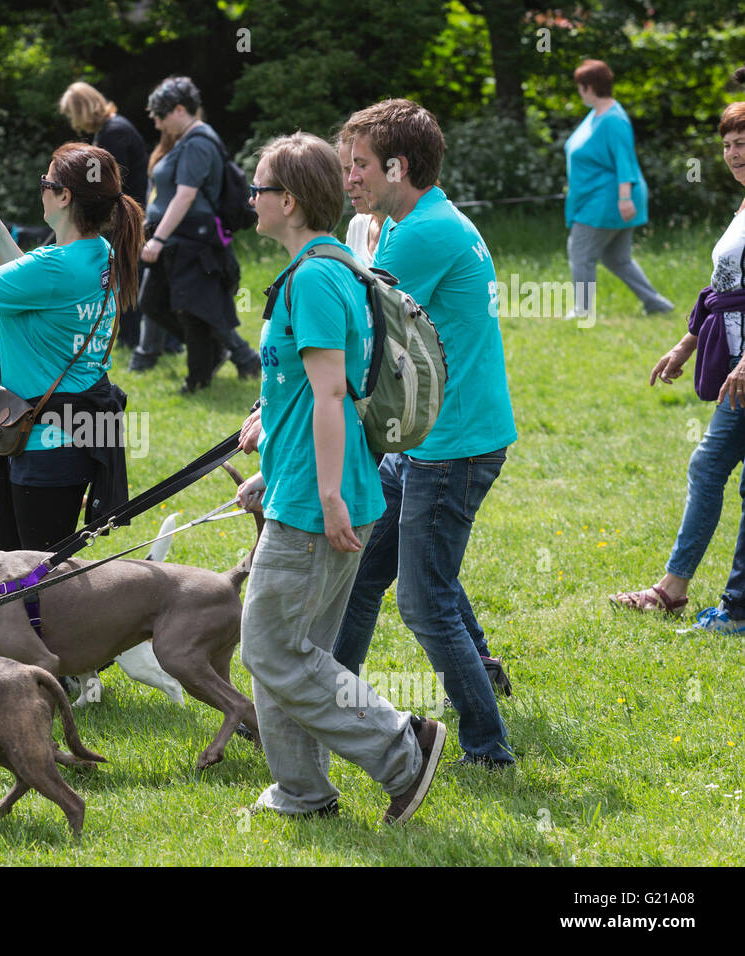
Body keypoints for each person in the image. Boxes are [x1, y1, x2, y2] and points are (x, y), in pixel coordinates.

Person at [235, 131, 445, 822]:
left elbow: (332, 394)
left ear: (288, 201)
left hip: (320, 500)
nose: (251, 199)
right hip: (306, 485)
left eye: (260, 188)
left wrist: (324, 495)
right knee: (296, 651)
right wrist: (271, 441)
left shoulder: (318, 277)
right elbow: (309, 390)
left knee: (271, 649)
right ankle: (302, 790)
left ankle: (402, 748)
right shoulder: (324, 267)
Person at [331, 99, 518, 768]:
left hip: (452, 445)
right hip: (428, 439)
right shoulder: (423, 218)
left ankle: (488, 749)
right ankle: (326, 706)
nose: (348, 176)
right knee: (367, 579)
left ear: (397, 167)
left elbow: (358, 336)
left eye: (359, 166)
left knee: (423, 598)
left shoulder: (419, 234)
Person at [0, 142, 142, 550]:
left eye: (45, 182)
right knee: (7, 560)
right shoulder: (98, 253)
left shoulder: (56, 264)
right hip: (66, 436)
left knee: (38, 580)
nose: (41, 189)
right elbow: (31, 285)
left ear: (64, 196)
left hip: (44, 447)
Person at [610, 87, 745, 631]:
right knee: (708, 466)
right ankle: (673, 589)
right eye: (728, 144)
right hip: (735, 370)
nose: (735, 152)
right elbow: (722, 285)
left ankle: (735, 610)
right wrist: (687, 343)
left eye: (744, 142)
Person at [132, 76, 262, 392]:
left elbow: (185, 195)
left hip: (192, 241)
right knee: (154, 303)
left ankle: (206, 374)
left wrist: (158, 239)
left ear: (179, 109)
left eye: (159, 115)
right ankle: (229, 355)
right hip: (178, 239)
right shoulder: (187, 140)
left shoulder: (199, 143)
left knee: (195, 311)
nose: (155, 122)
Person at [564, 59, 674, 319]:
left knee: (580, 252)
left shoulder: (614, 120)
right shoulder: (597, 114)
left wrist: (624, 197)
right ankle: (656, 303)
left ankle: (583, 310)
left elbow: (625, 160)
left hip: (608, 201)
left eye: (580, 86)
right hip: (595, 198)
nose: (579, 91)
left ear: (589, 87)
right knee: (617, 258)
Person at [59, 81, 148, 349]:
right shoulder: (109, 130)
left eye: (72, 115)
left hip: (125, 217)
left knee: (125, 277)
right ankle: (130, 338)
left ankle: (131, 339)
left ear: (82, 109)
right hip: (123, 215)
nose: (73, 123)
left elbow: (109, 185)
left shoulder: (114, 133)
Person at [335, 128, 385, 267]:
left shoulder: (412, 230)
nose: (347, 185)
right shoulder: (358, 225)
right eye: (344, 171)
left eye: (360, 167)